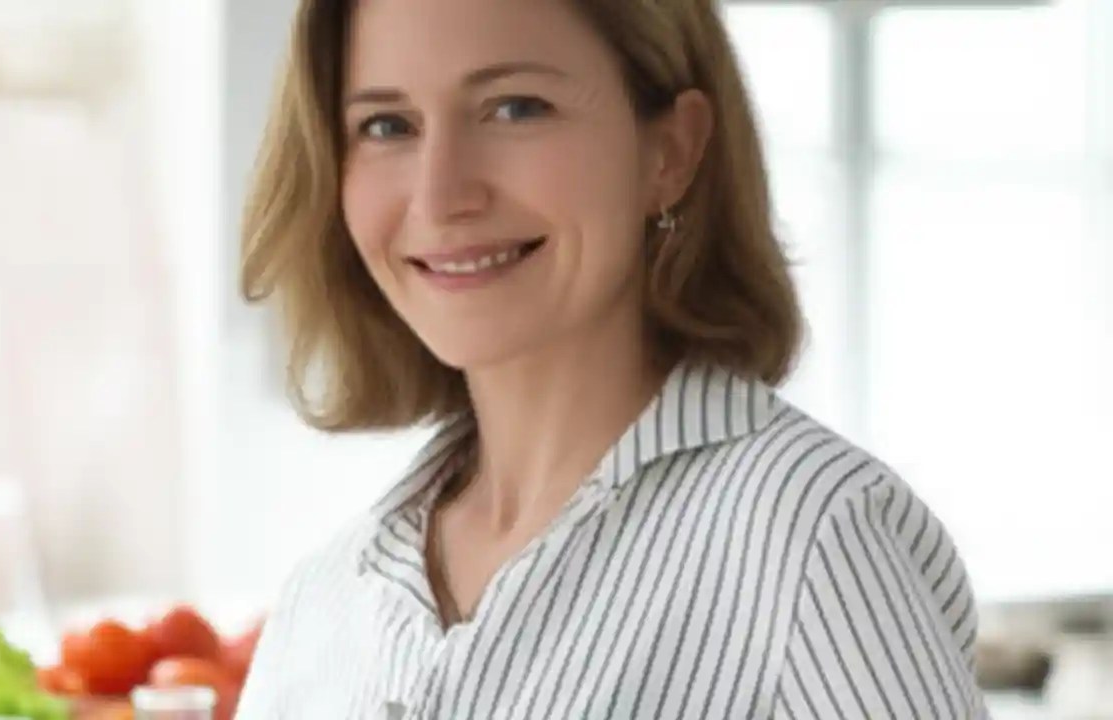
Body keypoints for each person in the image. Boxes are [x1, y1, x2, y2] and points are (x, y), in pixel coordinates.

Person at [234, 0, 987, 717]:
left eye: (515, 108)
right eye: (387, 124)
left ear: (671, 150)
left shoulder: (811, 537)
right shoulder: (323, 602)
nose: (439, 196)